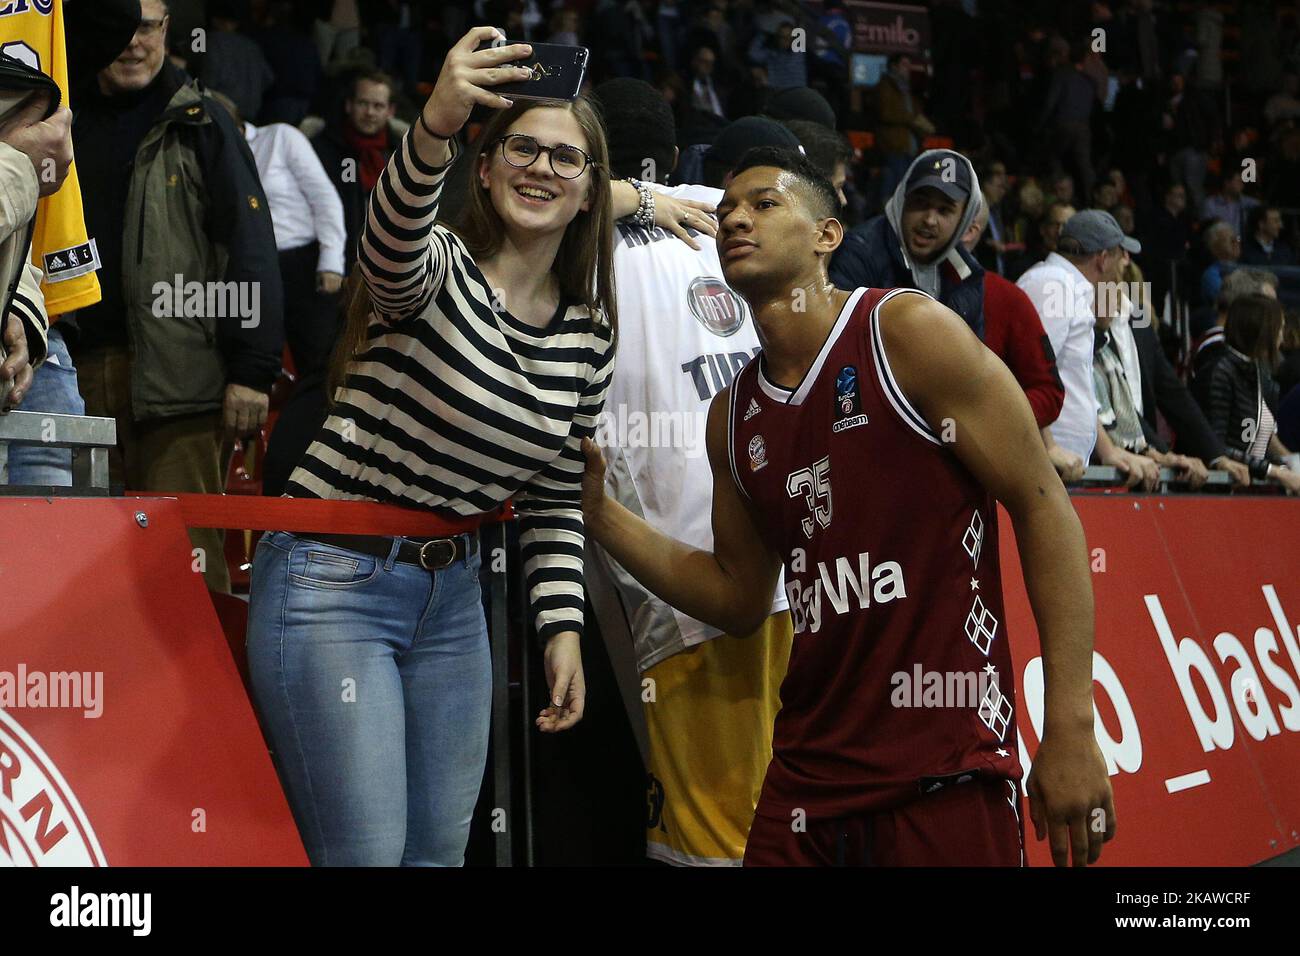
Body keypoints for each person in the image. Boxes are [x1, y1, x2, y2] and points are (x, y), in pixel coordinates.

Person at [583, 146, 1115, 867]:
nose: (737, 217)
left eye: (766, 204)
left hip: (944, 761)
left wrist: (1072, 725)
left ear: (827, 235)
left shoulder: (904, 333)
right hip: (808, 772)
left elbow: (1043, 501)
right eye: (729, 208)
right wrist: (600, 513)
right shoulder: (732, 417)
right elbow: (738, 597)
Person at [246, 26, 685, 867]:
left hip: (453, 602)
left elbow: (557, 493)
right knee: (367, 859)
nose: (542, 169)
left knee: (439, 861)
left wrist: (560, 627)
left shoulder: (592, 331)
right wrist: (437, 124)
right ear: (484, 168)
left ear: (593, 192)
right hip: (332, 576)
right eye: (522, 147)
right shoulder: (434, 268)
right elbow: (390, 237)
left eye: (566, 159)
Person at [587, 77, 793, 868]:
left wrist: (626, 193)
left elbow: (484, 211)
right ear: (676, 156)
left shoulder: (573, 231)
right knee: (789, 821)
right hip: (794, 574)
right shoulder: (734, 213)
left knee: (713, 848)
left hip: (683, 594)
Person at [70, 0, 284, 591]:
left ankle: (196, 687)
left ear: (167, 29)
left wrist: (253, 369)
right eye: (120, 27)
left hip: (182, 387)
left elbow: (250, 247)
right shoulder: (57, 121)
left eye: (148, 27)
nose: (134, 43)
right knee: (84, 575)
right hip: (74, 384)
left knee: (185, 571)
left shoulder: (204, 121)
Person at [959, 200, 1073, 482]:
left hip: (976, 476)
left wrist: (988, 419)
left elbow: (1048, 391)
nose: (927, 220)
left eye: (942, 210)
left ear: (969, 230)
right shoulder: (884, 286)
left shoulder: (1007, 298)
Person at [1018, 210, 1136, 466]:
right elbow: (1024, 373)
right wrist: (1047, 447)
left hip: (1062, 464)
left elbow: (1075, 385)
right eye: (1119, 257)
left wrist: (1109, 451)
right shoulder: (1053, 286)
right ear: (1103, 259)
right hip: (1042, 462)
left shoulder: (1068, 288)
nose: (1121, 267)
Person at [831, 149, 986, 339]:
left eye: (944, 210)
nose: (929, 219)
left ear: (963, 219)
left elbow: (971, 361)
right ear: (902, 200)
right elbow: (837, 345)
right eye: (920, 203)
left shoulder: (966, 274)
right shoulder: (859, 251)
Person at [1199, 294, 1300, 493]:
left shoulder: (1263, 375)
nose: (1281, 337)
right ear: (1261, 331)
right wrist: (1274, 471)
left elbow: (1259, 445)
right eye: (1278, 329)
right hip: (1217, 493)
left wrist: (1285, 464)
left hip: (1248, 491)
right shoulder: (1220, 371)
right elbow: (1215, 445)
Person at [1199, 221, 1242, 306]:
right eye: (1231, 240)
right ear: (1214, 247)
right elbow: (1228, 301)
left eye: (1237, 239)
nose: (1236, 243)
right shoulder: (1212, 275)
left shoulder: (1243, 267)